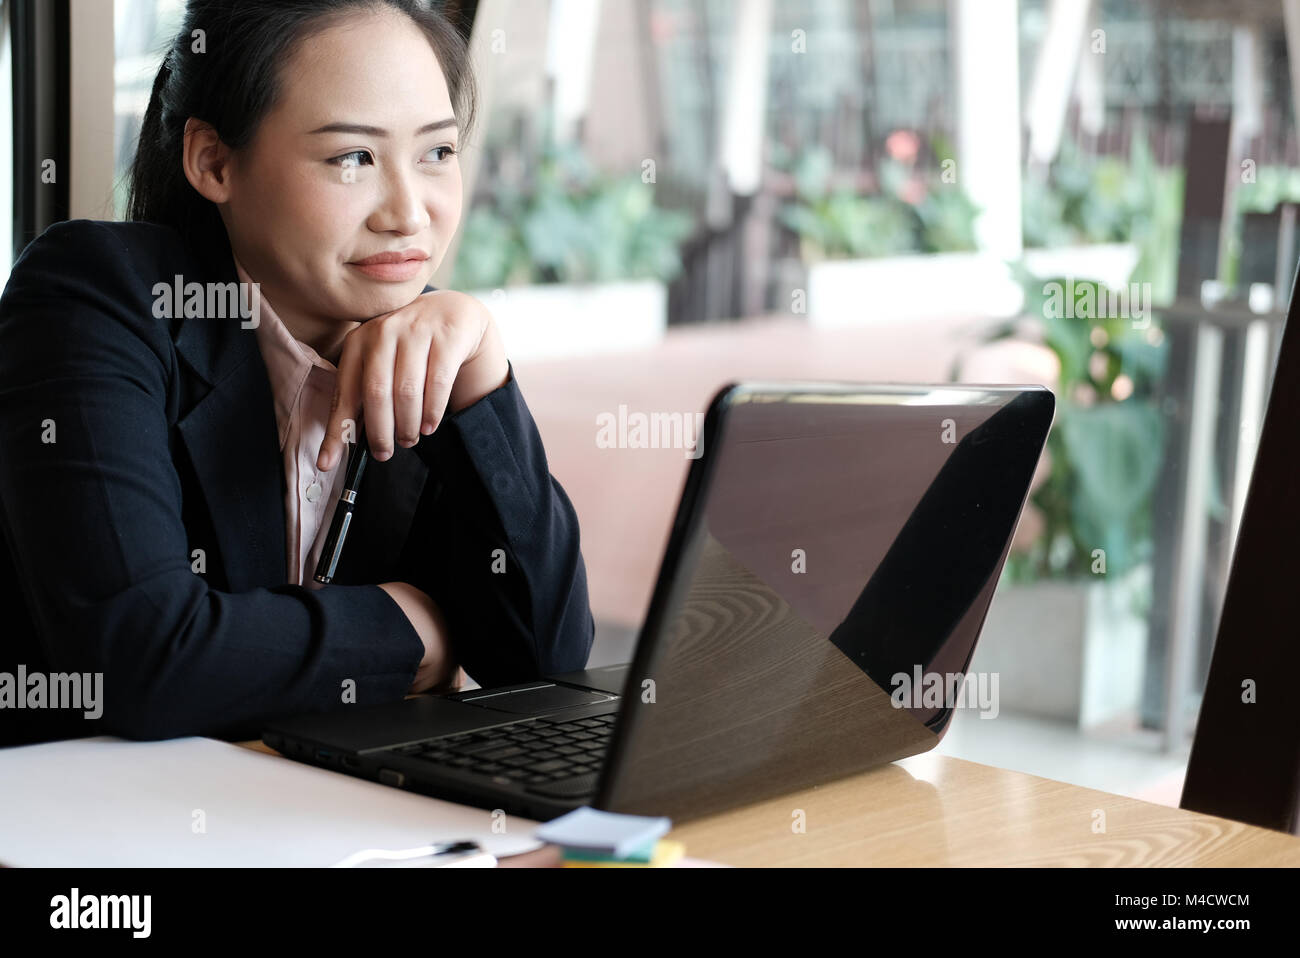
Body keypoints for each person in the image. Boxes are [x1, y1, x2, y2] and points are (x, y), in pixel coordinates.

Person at [0, 0, 594, 746]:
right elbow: (142, 659)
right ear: (214, 161)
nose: (409, 214)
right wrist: (417, 628)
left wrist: (483, 380)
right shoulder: (100, 292)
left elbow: (550, 665)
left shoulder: (428, 345)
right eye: (352, 157)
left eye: (437, 153)